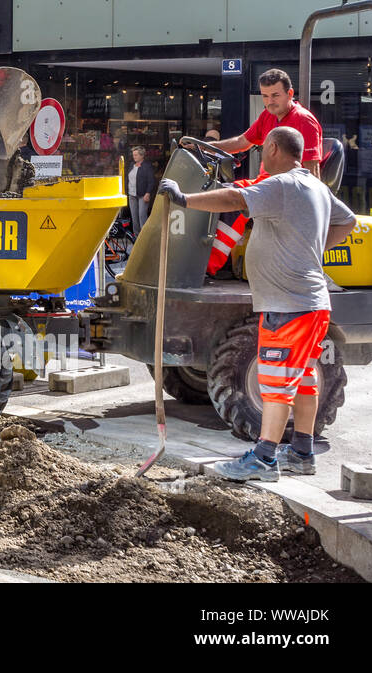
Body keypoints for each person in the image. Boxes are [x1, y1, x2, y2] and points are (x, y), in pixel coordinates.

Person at [157, 125, 356, 482]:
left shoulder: (281, 185)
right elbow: (348, 221)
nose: (261, 155)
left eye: (263, 149)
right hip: (312, 305)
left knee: (275, 385)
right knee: (304, 379)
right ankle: (302, 452)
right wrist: (310, 249)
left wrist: (183, 198)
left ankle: (263, 459)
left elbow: (234, 199)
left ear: (275, 149)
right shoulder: (315, 186)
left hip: (288, 306)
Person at [207, 68, 323, 177]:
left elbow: (312, 169)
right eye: (265, 96)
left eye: (275, 95)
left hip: (286, 186)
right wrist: (205, 147)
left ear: (290, 93)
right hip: (266, 183)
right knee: (223, 188)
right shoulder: (267, 115)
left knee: (228, 191)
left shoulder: (304, 120)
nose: (270, 101)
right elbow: (241, 142)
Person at [126, 146, 156, 236]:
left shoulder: (147, 166)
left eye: (136, 155)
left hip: (143, 195)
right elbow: (127, 178)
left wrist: (148, 193)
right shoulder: (131, 165)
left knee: (142, 216)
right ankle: (136, 236)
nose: (134, 157)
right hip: (132, 194)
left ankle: (144, 237)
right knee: (134, 217)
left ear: (142, 156)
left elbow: (151, 181)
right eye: (133, 155)